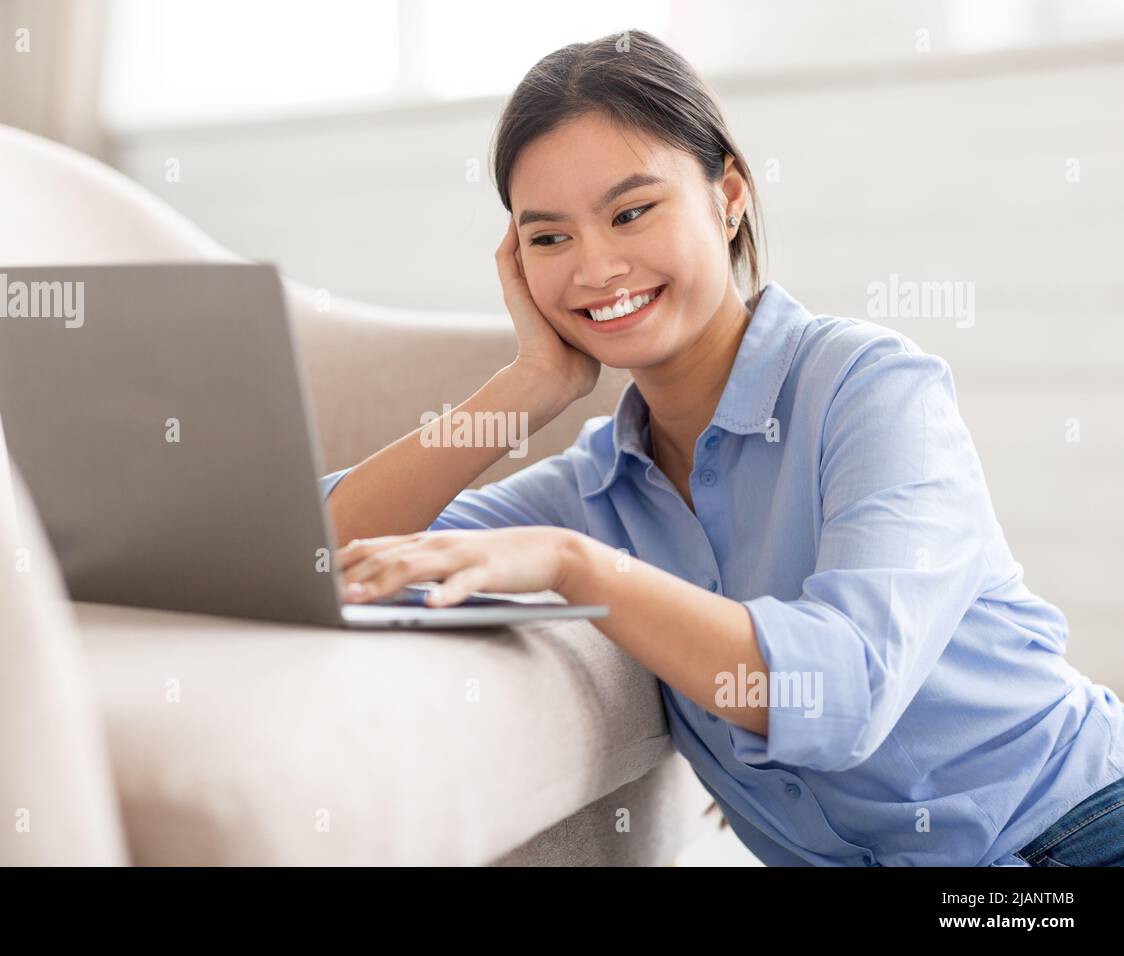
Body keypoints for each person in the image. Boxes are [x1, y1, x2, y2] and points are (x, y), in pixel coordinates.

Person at [319, 29, 1124, 867]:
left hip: (1078, 836)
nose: (595, 268)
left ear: (728, 194)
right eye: (549, 237)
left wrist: (580, 568)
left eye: (632, 212)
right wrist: (529, 386)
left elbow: (843, 687)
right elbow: (309, 549)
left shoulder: (875, 390)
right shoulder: (597, 489)